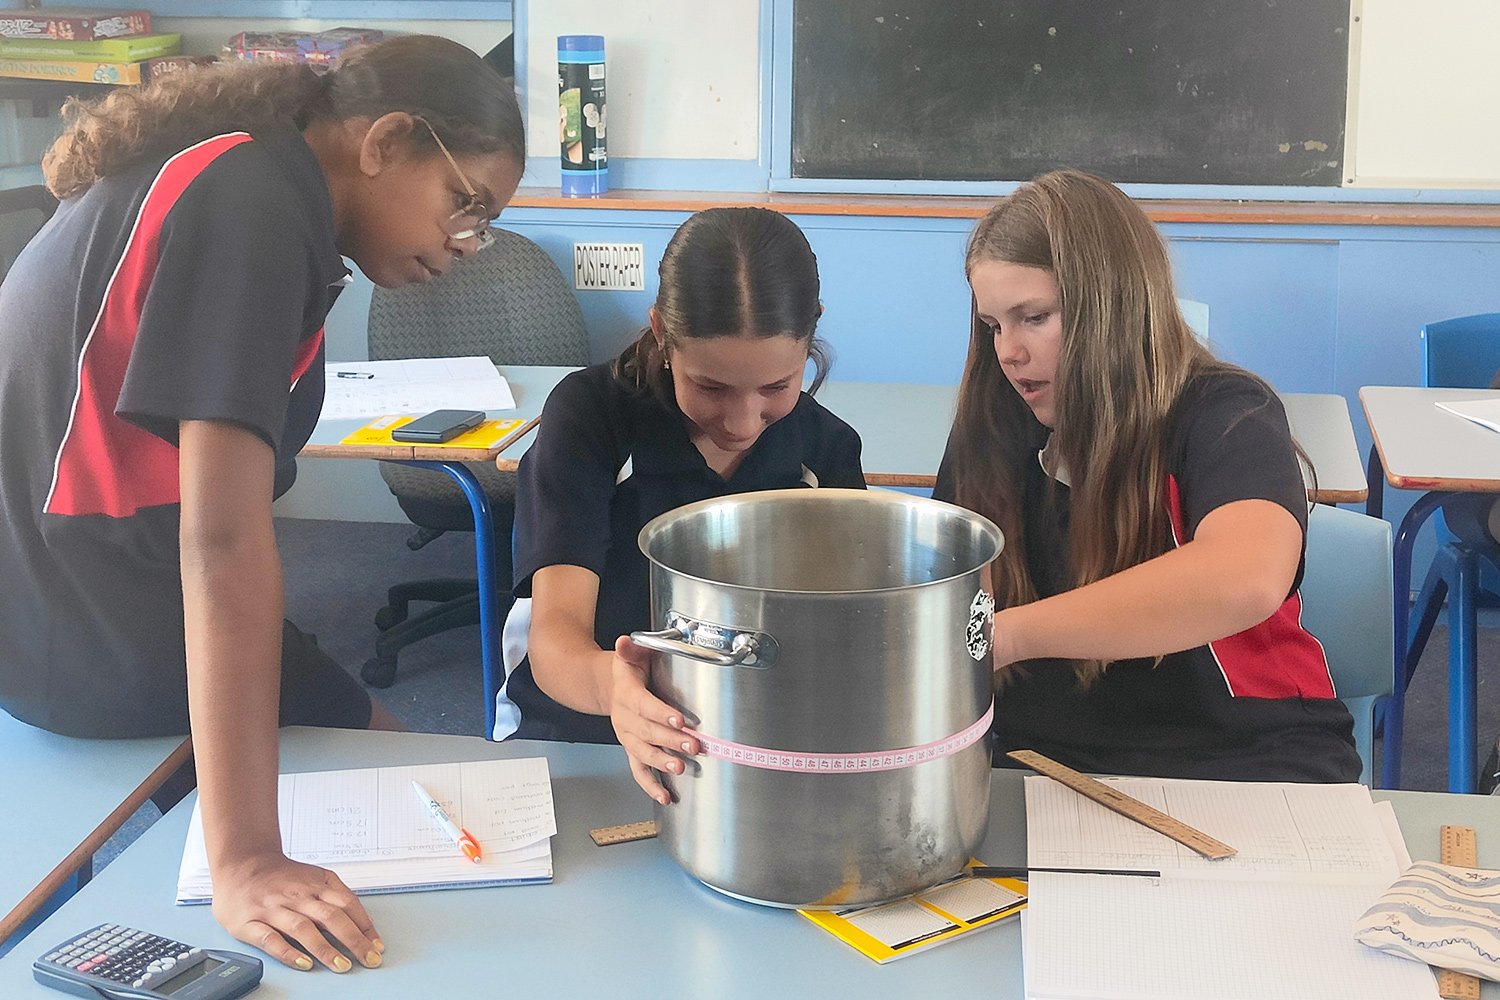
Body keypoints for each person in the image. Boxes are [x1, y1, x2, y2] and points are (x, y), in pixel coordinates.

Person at [0, 37, 525, 971]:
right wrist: (244, 859)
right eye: (464, 203)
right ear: (387, 140)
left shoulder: (259, 179)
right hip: (80, 614)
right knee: (403, 803)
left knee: (400, 780)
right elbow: (220, 541)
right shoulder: (253, 204)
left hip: (83, 580)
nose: (463, 248)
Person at [933, 170, 1362, 783]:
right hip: (1042, 767)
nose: (1008, 352)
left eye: (1034, 317)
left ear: (1112, 305)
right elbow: (942, 587)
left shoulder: (1227, 413)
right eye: (994, 324)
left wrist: (1005, 636)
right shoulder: (993, 427)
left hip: (1246, 759)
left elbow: (1245, 578)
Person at [495, 207, 867, 802]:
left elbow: (839, 629)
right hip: (583, 735)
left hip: (747, 748)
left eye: (777, 387)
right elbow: (555, 640)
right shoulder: (592, 420)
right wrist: (613, 692)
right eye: (711, 387)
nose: (743, 423)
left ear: (812, 331)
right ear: (662, 334)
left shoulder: (826, 453)